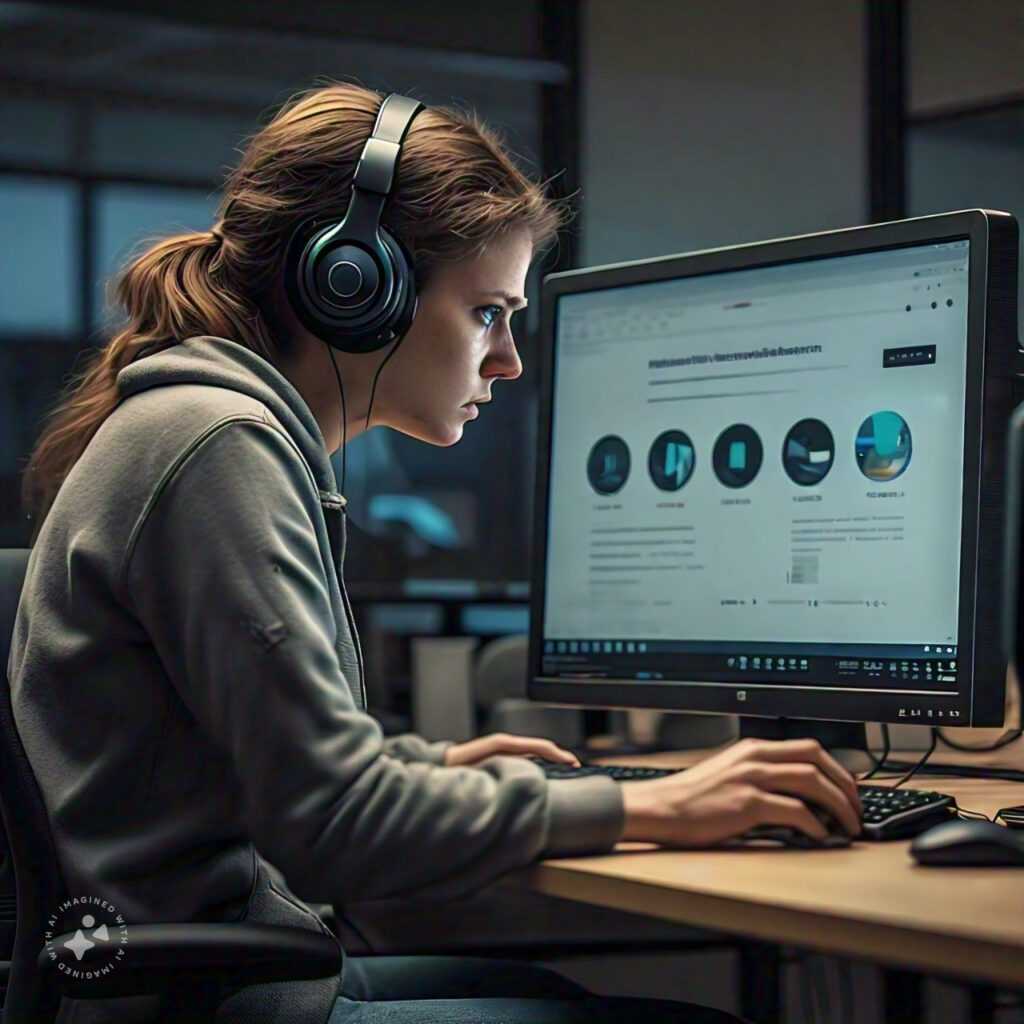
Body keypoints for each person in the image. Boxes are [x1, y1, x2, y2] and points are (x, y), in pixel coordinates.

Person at [10, 83, 861, 1024]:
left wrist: (429, 770)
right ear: (353, 285)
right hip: (203, 1004)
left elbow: (276, 770)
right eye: (488, 313)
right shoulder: (217, 445)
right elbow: (333, 830)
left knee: (547, 994)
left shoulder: (211, 431)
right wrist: (657, 806)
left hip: (207, 977)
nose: (510, 361)